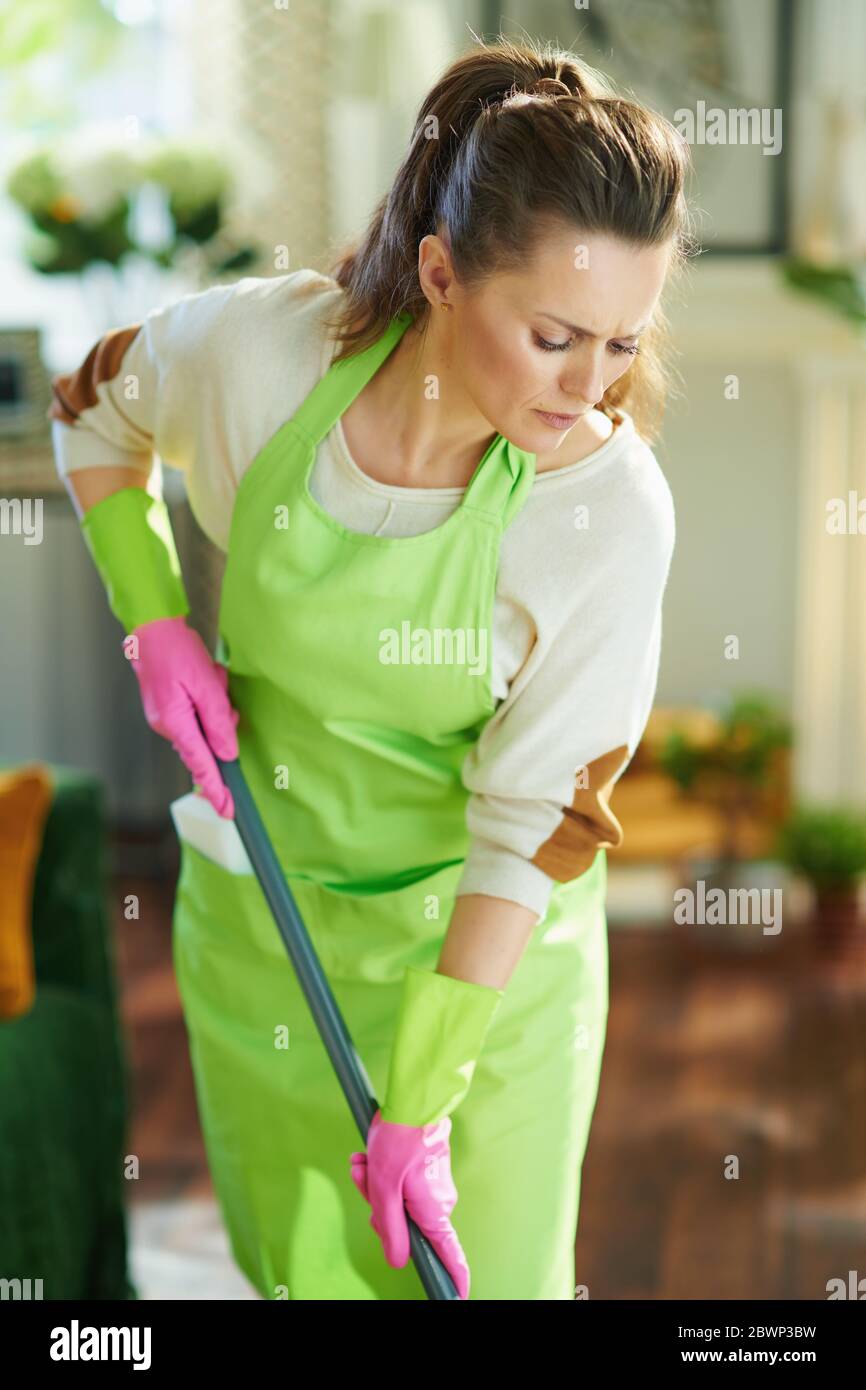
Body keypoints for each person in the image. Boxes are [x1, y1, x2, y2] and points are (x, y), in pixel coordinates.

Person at [50, 36, 690, 1300]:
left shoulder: (602, 512)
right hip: (265, 919)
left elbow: (531, 828)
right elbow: (90, 412)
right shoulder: (260, 356)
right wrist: (155, 618)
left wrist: (421, 1101)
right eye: (556, 334)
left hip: (484, 982)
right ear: (442, 275)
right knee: (300, 1278)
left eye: (623, 343)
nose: (590, 386)